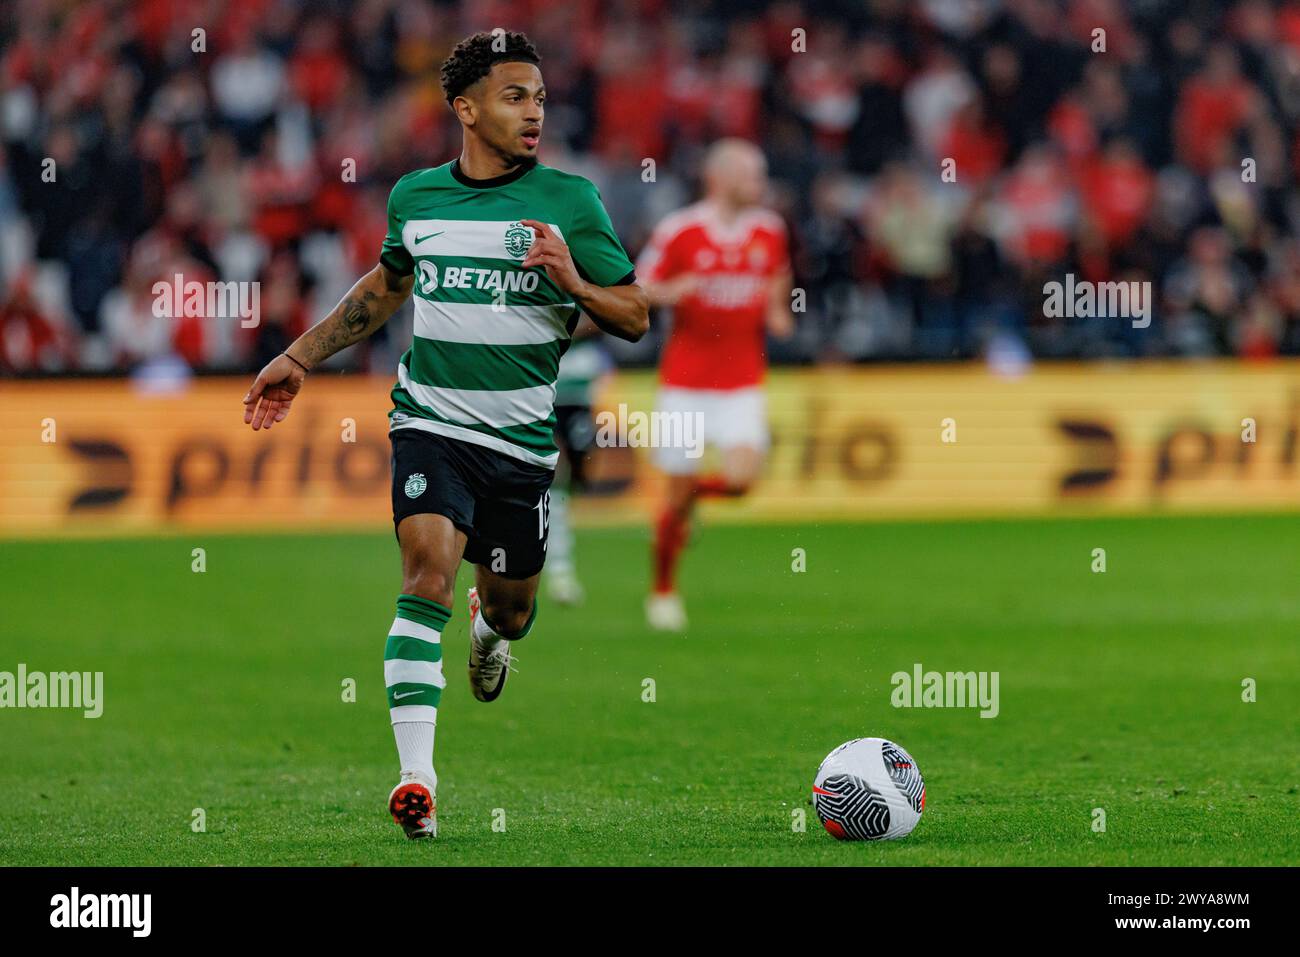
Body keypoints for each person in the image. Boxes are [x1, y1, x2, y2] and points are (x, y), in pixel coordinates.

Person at [240, 31, 648, 839]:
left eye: (538, 96)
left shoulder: (572, 201)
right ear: (464, 108)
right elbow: (388, 285)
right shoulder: (416, 197)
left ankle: (488, 631)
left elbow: (634, 315)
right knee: (424, 571)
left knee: (515, 607)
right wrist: (299, 355)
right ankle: (417, 780)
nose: (533, 111)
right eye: (512, 95)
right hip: (430, 423)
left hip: (522, 447)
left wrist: (572, 280)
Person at [638, 139, 793, 631]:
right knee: (677, 491)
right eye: (752, 174)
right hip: (685, 382)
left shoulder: (770, 230)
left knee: (744, 481)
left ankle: (687, 505)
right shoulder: (680, 231)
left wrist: (776, 307)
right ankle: (663, 591)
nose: (760, 184)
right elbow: (636, 290)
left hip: (742, 379)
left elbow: (778, 273)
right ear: (720, 178)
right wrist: (670, 292)